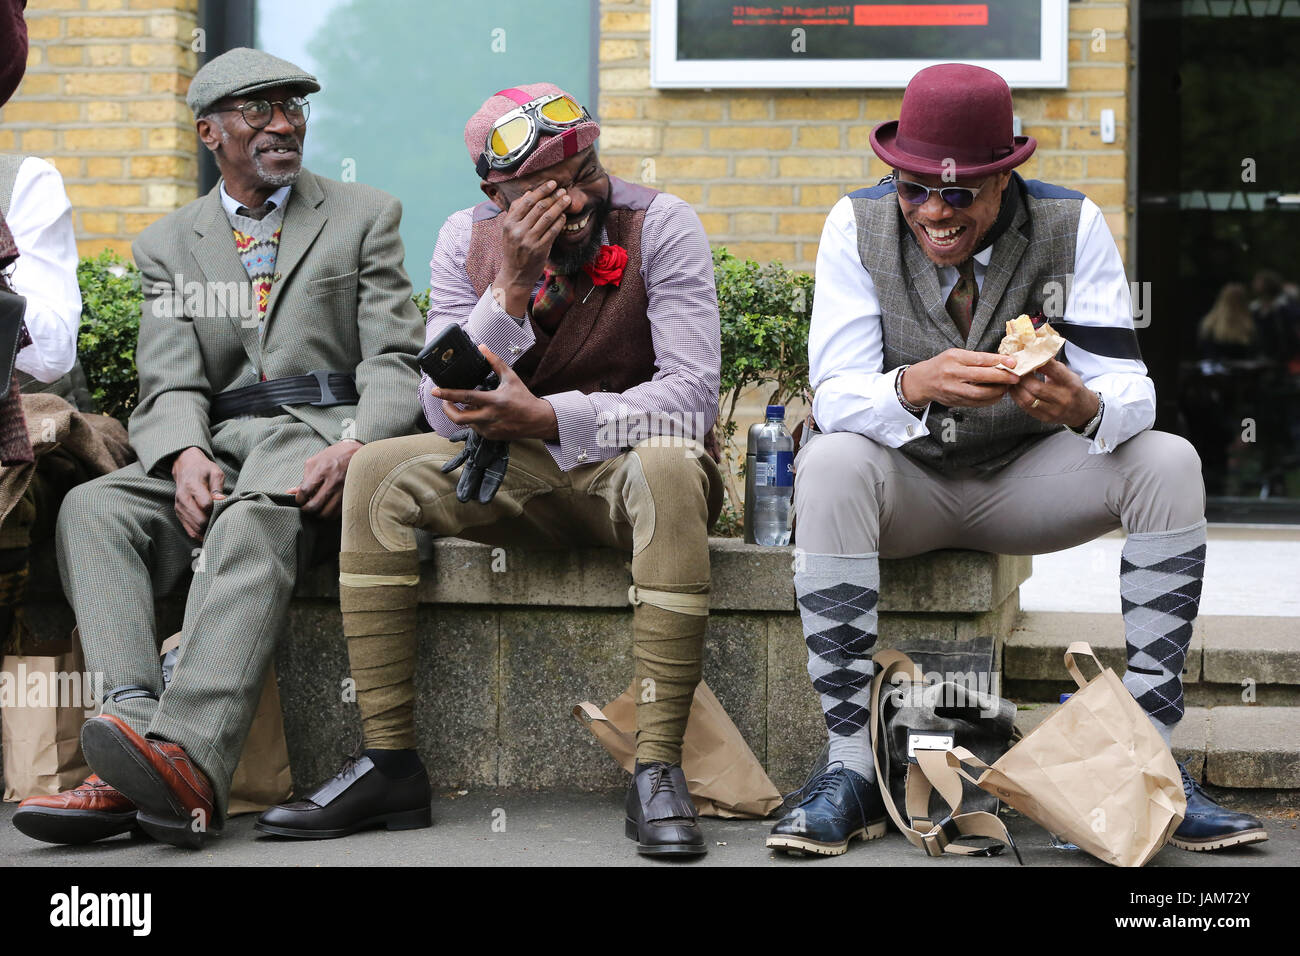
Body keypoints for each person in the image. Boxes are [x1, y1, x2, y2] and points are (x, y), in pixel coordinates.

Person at [767, 63, 1266, 857]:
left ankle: (1150, 764)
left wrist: (1085, 407)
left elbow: (1131, 387)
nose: (933, 211)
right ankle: (851, 768)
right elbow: (833, 393)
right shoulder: (853, 225)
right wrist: (912, 384)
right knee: (828, 462)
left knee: (1168, 462)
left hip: (1030, 481)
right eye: (912, 189)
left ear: (1004, 180)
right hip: (909, 485)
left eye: (958, 194)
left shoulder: (1071, 225)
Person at [253, 82, 724, 858]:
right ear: (495, 193)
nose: (574, 201)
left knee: (673, 466)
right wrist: (509, 283)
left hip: (631, 470)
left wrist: (550, 417)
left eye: (585, 173)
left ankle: (656, 769)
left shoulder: (661, 224)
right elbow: (440, 411)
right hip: (507, 471)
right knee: (375, 472)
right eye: (545, 190)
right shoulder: (462, 239)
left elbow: (692, 400)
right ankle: (390, 764)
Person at [11, 47, 424, 849]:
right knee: (94, 508)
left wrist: (361, 443)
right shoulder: (169, 244)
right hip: (223, 448)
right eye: (259, 110)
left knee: (245, 521)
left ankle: (188, 764)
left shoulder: (364, 213)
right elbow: (167, 386)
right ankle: (127, 745)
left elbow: (395, 362)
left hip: (317, 451)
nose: (283, 124)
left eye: (292, 108)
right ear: (210, 133)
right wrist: (181, 457)